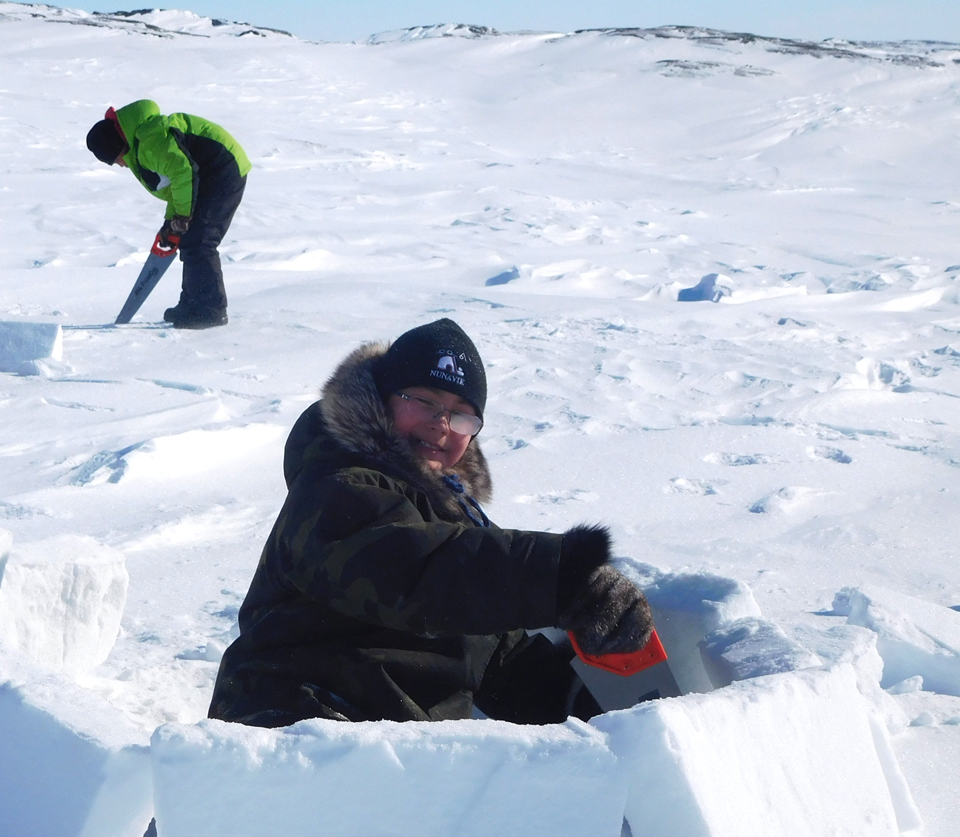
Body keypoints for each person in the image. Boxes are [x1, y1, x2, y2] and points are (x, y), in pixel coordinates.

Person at [208, 318, 655, 728]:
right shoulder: (338, 489)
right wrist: (564, 579)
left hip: (395, 751)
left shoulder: (443, 512)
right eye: (423, 400)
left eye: (462, 414)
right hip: (294, 727)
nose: (441, 424)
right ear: (381, 401)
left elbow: (490, 649)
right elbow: (420, 573)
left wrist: (596, 723)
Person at [86, 101, 249, 329]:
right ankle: (192, 304)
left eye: (114, 160)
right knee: (190, 237)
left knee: (200, 240)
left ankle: (210, 310)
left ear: (116, 148)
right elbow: (176, 185)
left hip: (224, 169)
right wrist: (171, 223)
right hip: (206, 174)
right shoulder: (141, 142)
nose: (119, 165)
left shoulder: (151, 143)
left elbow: (184, 174)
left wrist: (182, 217)